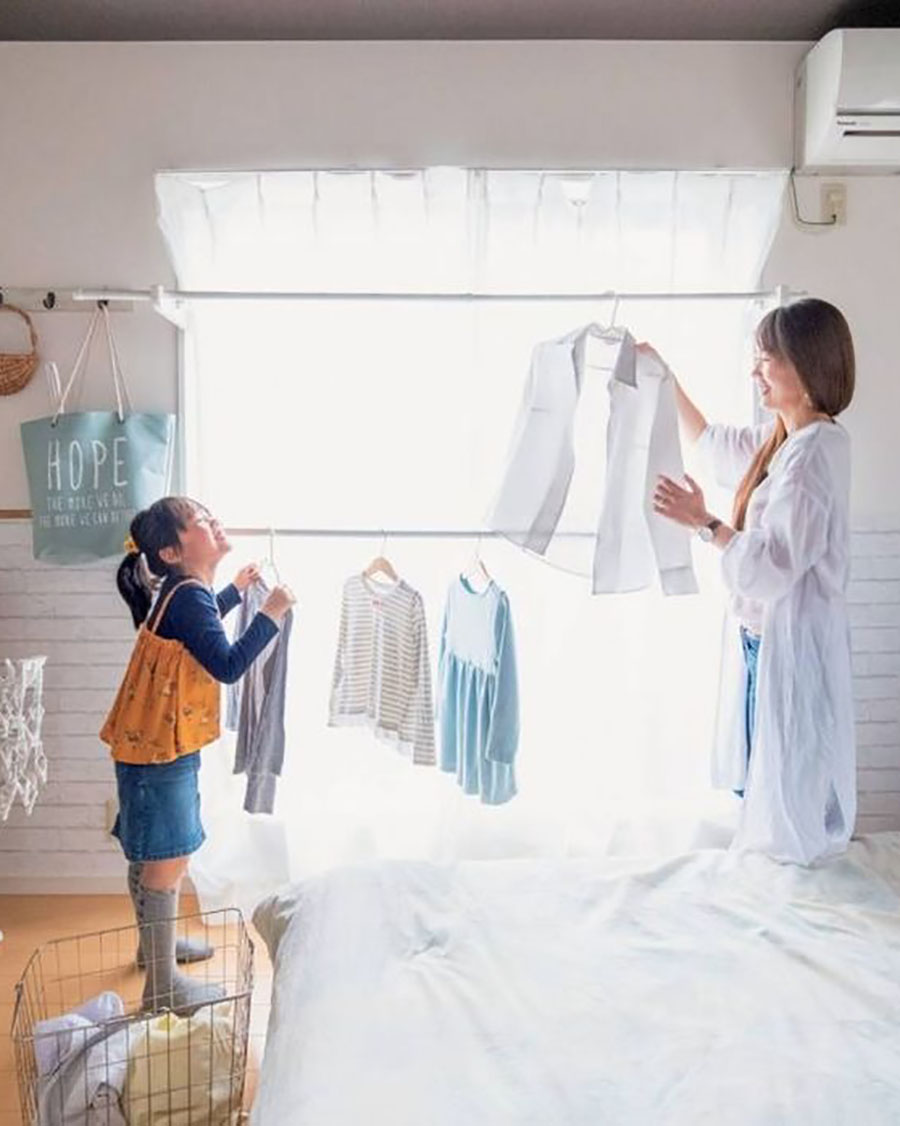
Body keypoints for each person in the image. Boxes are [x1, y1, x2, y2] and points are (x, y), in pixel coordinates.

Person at [644, 298, 856, 865]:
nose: (755, 372)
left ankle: (788, 896)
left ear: (805, 367)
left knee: (783, 784)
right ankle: (777, 886)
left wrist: (706, 523)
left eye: (766, 360)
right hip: (760, 641)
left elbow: (772, 567)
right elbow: (715, 444)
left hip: (786, 644)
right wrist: (666, 380)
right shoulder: (785, 440)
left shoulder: (811, 458)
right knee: (763, 779)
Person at [100, 497, 295, 1010]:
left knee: (152, 853)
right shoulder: (188, 595)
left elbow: (200, 631)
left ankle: (154, 949)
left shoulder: (188, 592)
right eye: (201, 521)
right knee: (167, 859)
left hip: (152, 746)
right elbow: (227, 664)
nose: (214, 521)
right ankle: (162, 987)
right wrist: (271, 614)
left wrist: (235, 591)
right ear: (171, 549)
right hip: (161, 752)